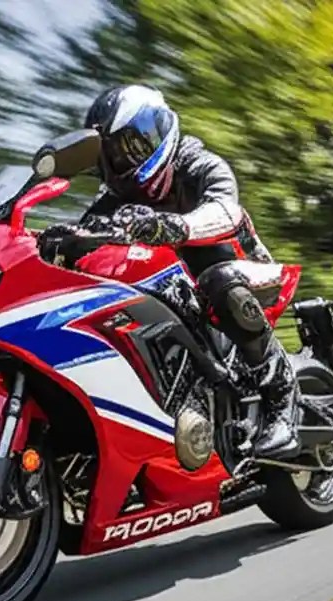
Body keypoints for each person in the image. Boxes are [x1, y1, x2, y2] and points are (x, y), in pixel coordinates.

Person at [51, 84, 299, 459]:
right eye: (113, 155)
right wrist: (61, 240)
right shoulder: (115, 199)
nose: (124, 159)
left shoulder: (199, 164)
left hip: (244, 272)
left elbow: (225, 211)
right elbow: (89, 235)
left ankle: (283, 395)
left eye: (132, 145)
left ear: (158, 131)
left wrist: (172, 226)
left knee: (221, 283)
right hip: (179, 288)